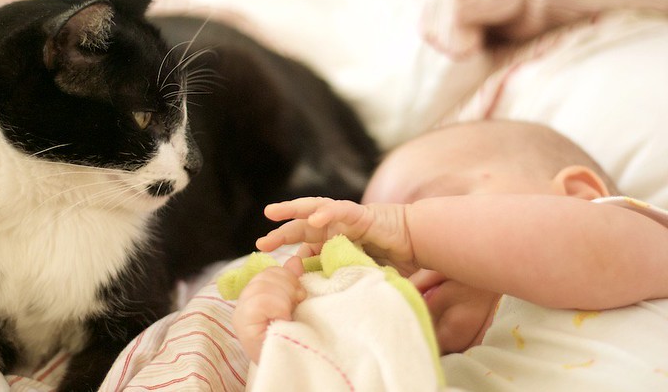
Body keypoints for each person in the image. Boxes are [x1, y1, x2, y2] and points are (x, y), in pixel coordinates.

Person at [231, 119, 668, 388]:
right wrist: (294, 340)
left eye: (438, 201)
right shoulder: (431, 366)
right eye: (379, 258)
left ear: (578, 194)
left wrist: (411, 228)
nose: (400, 262)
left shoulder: (631, 247)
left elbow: (586, 251)